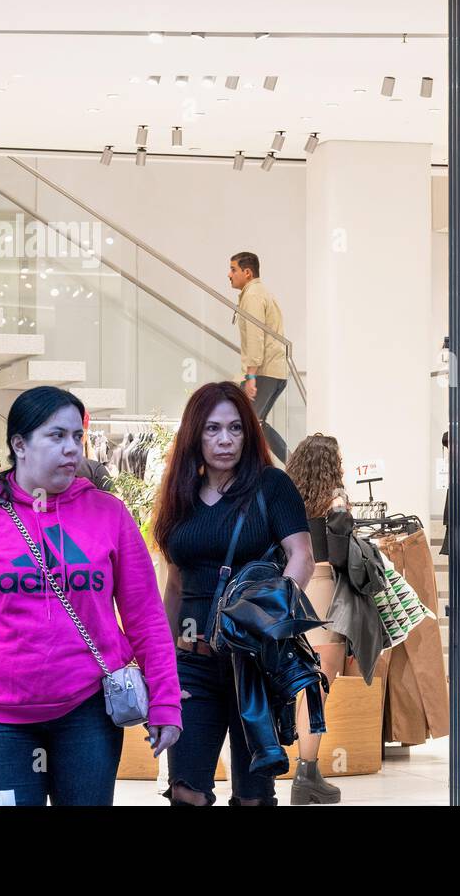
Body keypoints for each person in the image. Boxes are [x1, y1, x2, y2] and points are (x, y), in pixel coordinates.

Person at [0, 386, 182, 806]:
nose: (72, 449)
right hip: (0, 721)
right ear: (19, 445)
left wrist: (166, 700)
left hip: (87, 712)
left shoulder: (109, 514)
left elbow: (146, 617)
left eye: (76, 438)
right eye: (56, 436)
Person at [154, 381, 315, 806]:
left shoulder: (271, 487)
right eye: (211, 429)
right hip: (192, 662)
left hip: (254, 664)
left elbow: (302, 556)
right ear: (194, 434)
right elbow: (174, 583)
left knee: (253, 796)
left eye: (235, 429)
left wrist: (267, 614)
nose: (224, 440)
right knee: (186, 791)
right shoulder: (179, 495)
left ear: (248, 433)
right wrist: (161, 661)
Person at [284, 432, 353, 805]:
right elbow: (342, 556)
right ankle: (306, 773)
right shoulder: (335, 502)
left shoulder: (287, 498)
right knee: (318, 686)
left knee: (304, 685)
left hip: (294, 591)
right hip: (324, 588)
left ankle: (304, 768)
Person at [228, 250, 290, 463]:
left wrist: (251, 375)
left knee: (248, 424)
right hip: (272, 370)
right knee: (256, 424)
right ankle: (294, 466)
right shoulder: (256, 293)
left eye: (233, 269)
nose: (229, 274)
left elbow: (255, 336)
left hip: (264, 371)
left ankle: (292, 466)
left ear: (247, 272)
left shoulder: (253, 296)